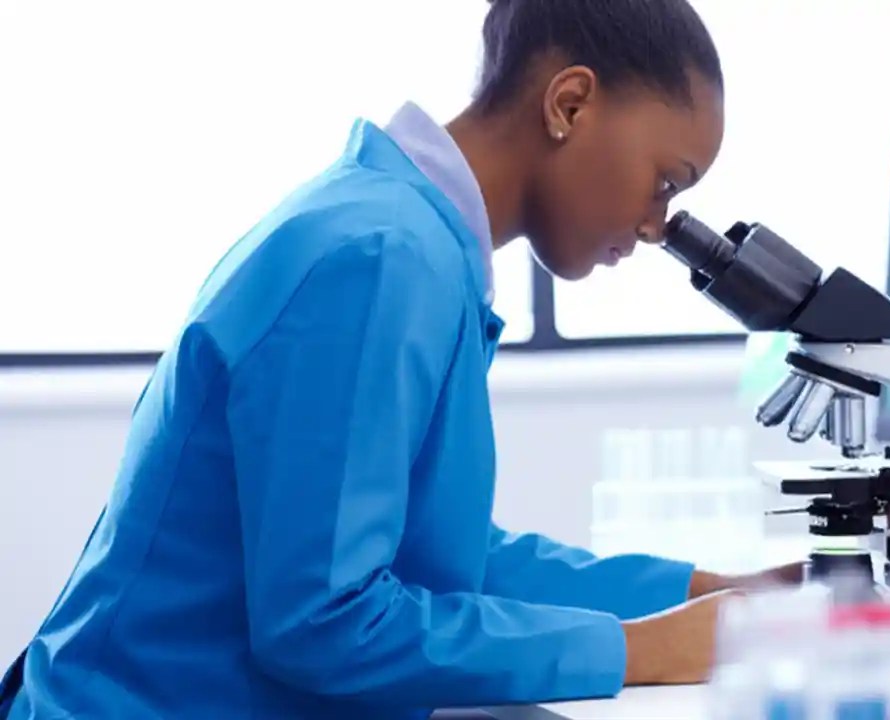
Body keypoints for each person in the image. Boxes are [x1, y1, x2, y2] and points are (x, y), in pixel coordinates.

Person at [1, 1, 805, 718]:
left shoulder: (406, 236)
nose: (660, 223)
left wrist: (716, 596)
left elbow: (441, 557)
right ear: (570, 103)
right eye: (665, 180)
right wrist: (649, 651)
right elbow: (324, 622)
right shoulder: (382, 255)